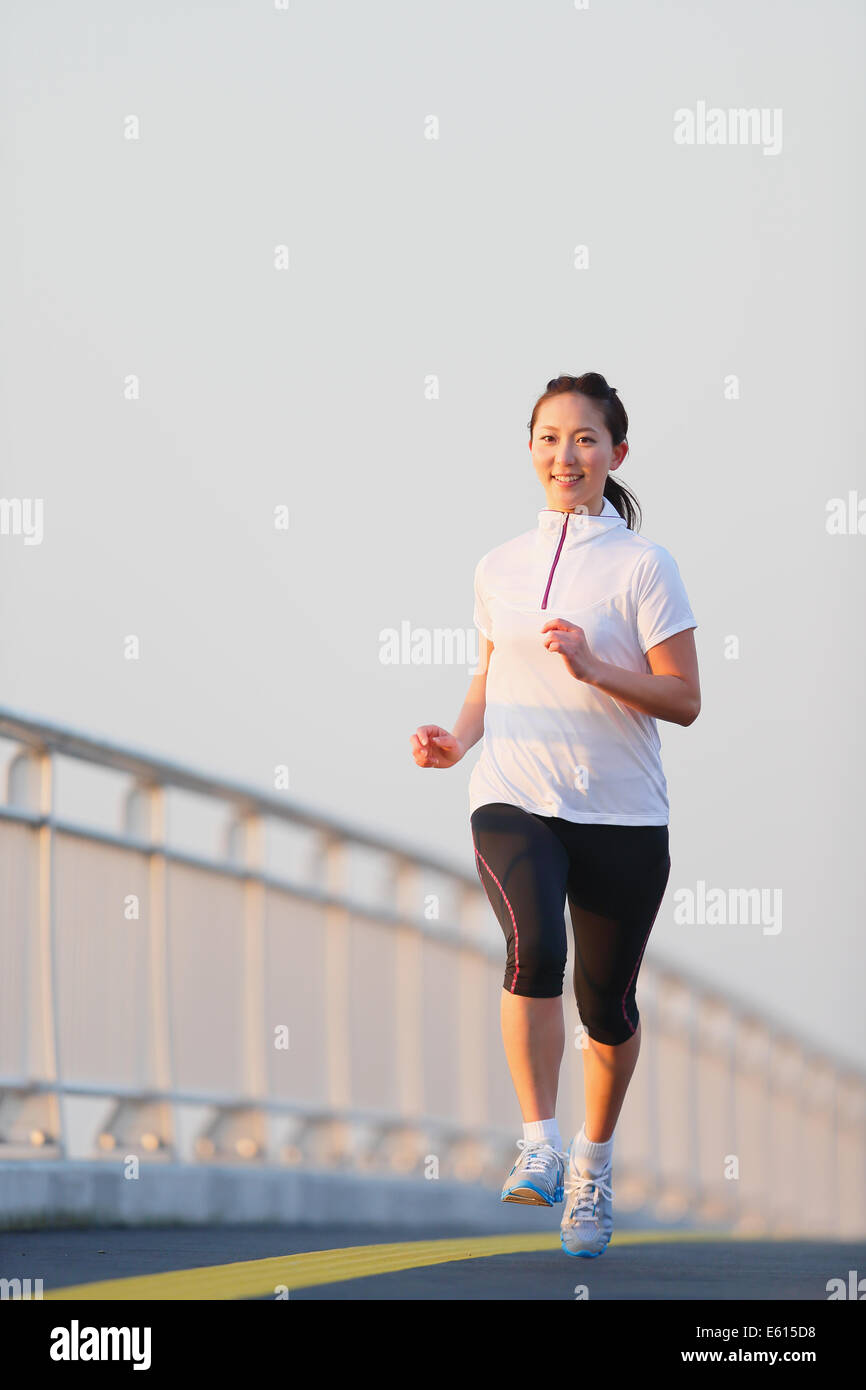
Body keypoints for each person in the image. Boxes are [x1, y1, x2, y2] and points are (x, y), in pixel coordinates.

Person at [409, 372, 701, 1258]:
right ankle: (537, 1143)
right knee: (534, 949)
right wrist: (457, 741)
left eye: (584, 438)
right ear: (529, 449)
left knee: (605, 1006)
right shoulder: (496, 566)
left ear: (616, 453)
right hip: (514, 794)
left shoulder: (645, 567)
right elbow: (487, 676)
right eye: (548, 437)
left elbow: (685, 699)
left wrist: (594, 668)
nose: (564, 454)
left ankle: (591, 1165)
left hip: (621, 814)